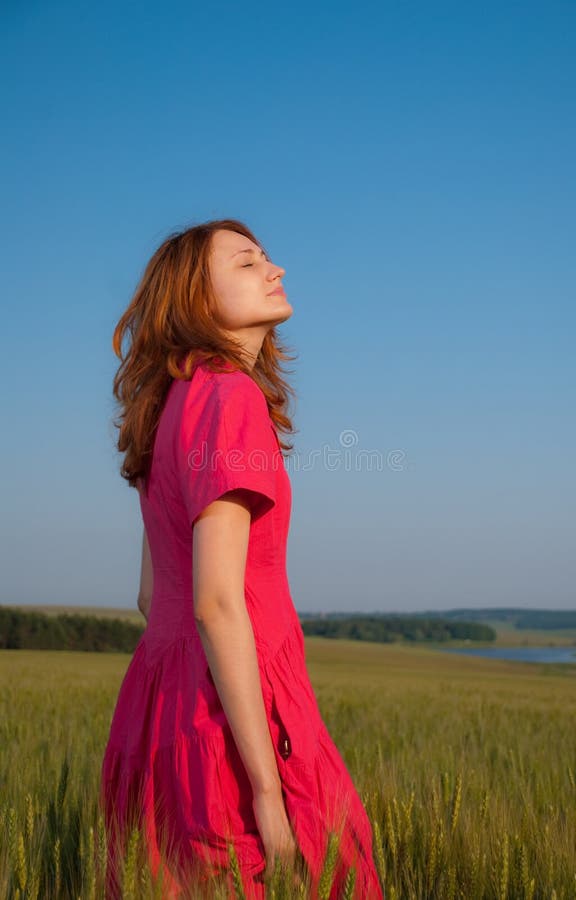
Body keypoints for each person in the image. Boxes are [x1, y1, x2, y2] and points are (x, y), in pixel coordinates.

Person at [100, 219, 383, 899]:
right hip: (239, 715)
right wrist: (263, 787)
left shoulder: (171, 405)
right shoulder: (230, 398)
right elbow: (217, 601)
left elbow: (151, 595)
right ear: (196, 298)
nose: (275, 269)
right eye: (248, 262)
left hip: (163, 709)